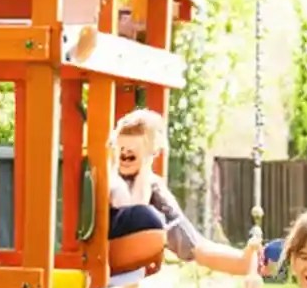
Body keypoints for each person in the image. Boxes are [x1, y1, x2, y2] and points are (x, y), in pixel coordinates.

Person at [108, 108, 259, 275]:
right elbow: (135, 215)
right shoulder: (111, 180)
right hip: (111, 249)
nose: (125, 157)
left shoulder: (151, 185)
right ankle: (241, 263)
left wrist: (145, 170)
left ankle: (242, 263)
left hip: (139, 247)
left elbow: (190, 240)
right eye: (121, 151)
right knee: (149, 215)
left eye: (133, 153)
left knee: (194, 244)